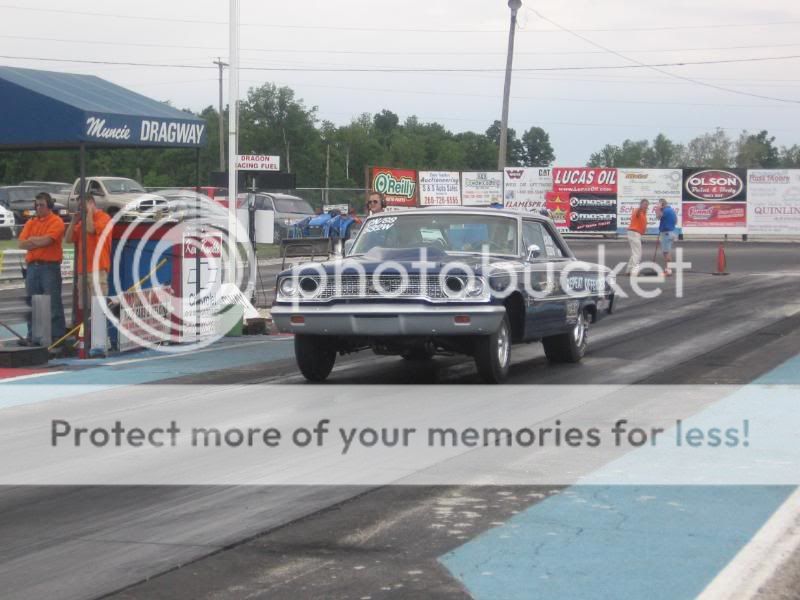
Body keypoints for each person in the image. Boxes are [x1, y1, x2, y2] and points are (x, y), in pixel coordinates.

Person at [18, 192, 66, 345]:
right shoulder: (31, 222)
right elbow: (21, 243)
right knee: (32, 302)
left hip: (49, 267)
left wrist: (32, 241)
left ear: (49, 206)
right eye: (36, 205)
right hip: (32, 267)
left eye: (42, 205)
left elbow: (47, 241)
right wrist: (36, 241)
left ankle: (57, 335)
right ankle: (33, 336)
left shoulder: (56, 221)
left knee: (53, 302)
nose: (38, 208)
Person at [65, 194, 112, 321]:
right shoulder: (82, 223)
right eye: (79, 206)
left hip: (98, 269)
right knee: (84, 307)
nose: (81, 209)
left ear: (91, 203)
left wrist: (90, 211)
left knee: (98, 305)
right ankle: (86, 337)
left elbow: (91, 229)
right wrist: (74, 221)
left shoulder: (104, 218)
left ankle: (99, 339)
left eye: (82, 205)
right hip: (83, 270)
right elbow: (68, 239)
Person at [625, 199, 649, 275]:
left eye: (647, 205)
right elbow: (643, 226)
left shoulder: (638, 211)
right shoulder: (640, 213)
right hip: (635, 233)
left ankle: (629, 270)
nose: (646, 206)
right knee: (637, 254)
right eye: (645, 204)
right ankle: (634, 271)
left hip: (632, 233)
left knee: (635, 253)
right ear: (641, 204)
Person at [656, 198, 678, 276]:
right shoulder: (671, 210)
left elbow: (658, 217)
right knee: (668, 251)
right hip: (671, 232)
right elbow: (676, 221)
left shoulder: (665, 211)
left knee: (666, 252)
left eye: (659, 204)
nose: (658, 205)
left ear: (662, 204)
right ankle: (668, 269)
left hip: (666, 233)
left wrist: (657, 209)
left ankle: (668, 270)